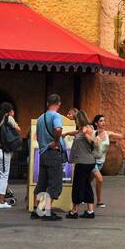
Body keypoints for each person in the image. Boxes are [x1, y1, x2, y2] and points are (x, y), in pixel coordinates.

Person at [31, 94, 67, 222]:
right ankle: (47, 211)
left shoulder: (41, 117)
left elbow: (38, 136)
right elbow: (58, 129)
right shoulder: (56, 116)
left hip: (43, 153)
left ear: (47, 103)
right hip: (53, 153)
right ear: (59, 103)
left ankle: (37, 210)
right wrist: (56, 141)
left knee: (42, 181)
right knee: (54, 183)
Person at [90, 114, 125, 209]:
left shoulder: (108, 133)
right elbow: (80, 133)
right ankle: (99, 201)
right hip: (92, 160)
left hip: (101, 162)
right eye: (101, 121)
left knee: (88, 180)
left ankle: (81, 196)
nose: (103, 123)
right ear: (96, 123)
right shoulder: (92, 133)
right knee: (100, 179)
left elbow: (123, 136)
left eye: (104, 121)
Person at [67, 119, 98, 219]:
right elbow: (76, 133)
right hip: (86, 162)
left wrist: (85, 134)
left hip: (83, 162)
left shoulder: (87, 129)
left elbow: (94, 143)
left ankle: (74, 211)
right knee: (86, 185)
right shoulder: (80, 130)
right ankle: (90, 211)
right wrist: (66, 133)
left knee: (77, 186)